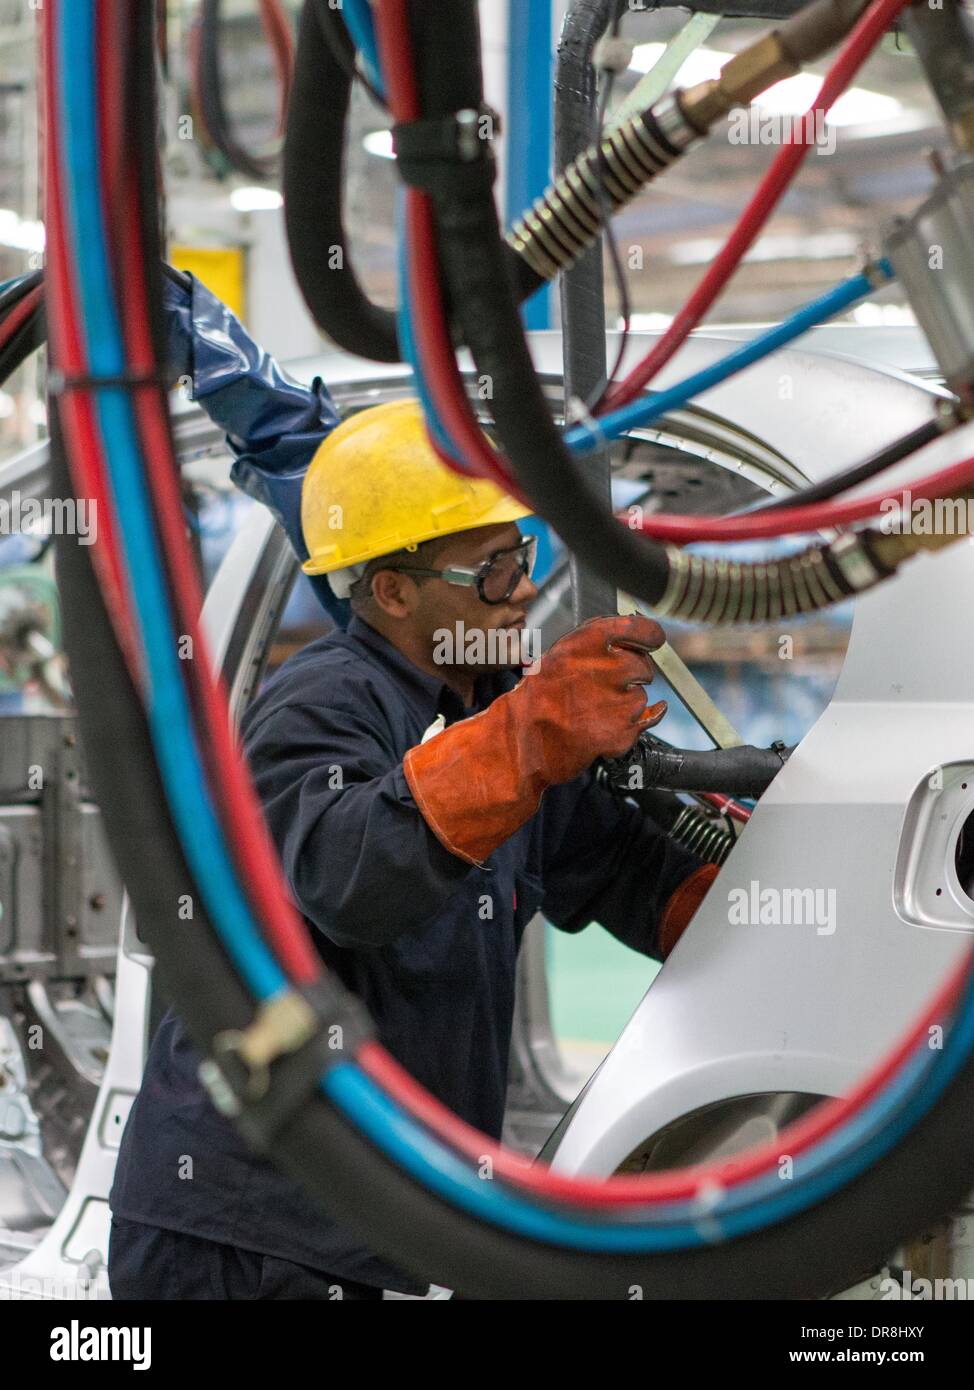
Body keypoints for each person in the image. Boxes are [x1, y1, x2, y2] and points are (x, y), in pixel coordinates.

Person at [108, 398, 717, 1300]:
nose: (520, 591)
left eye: (525, 557)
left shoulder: (492, 711)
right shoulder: (321, 703)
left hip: (374, 1232)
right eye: (491, 571)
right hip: (243, 1231)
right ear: (392, 591)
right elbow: (350, 876)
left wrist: (777, 904)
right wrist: (530, 735)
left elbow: (633, 872)